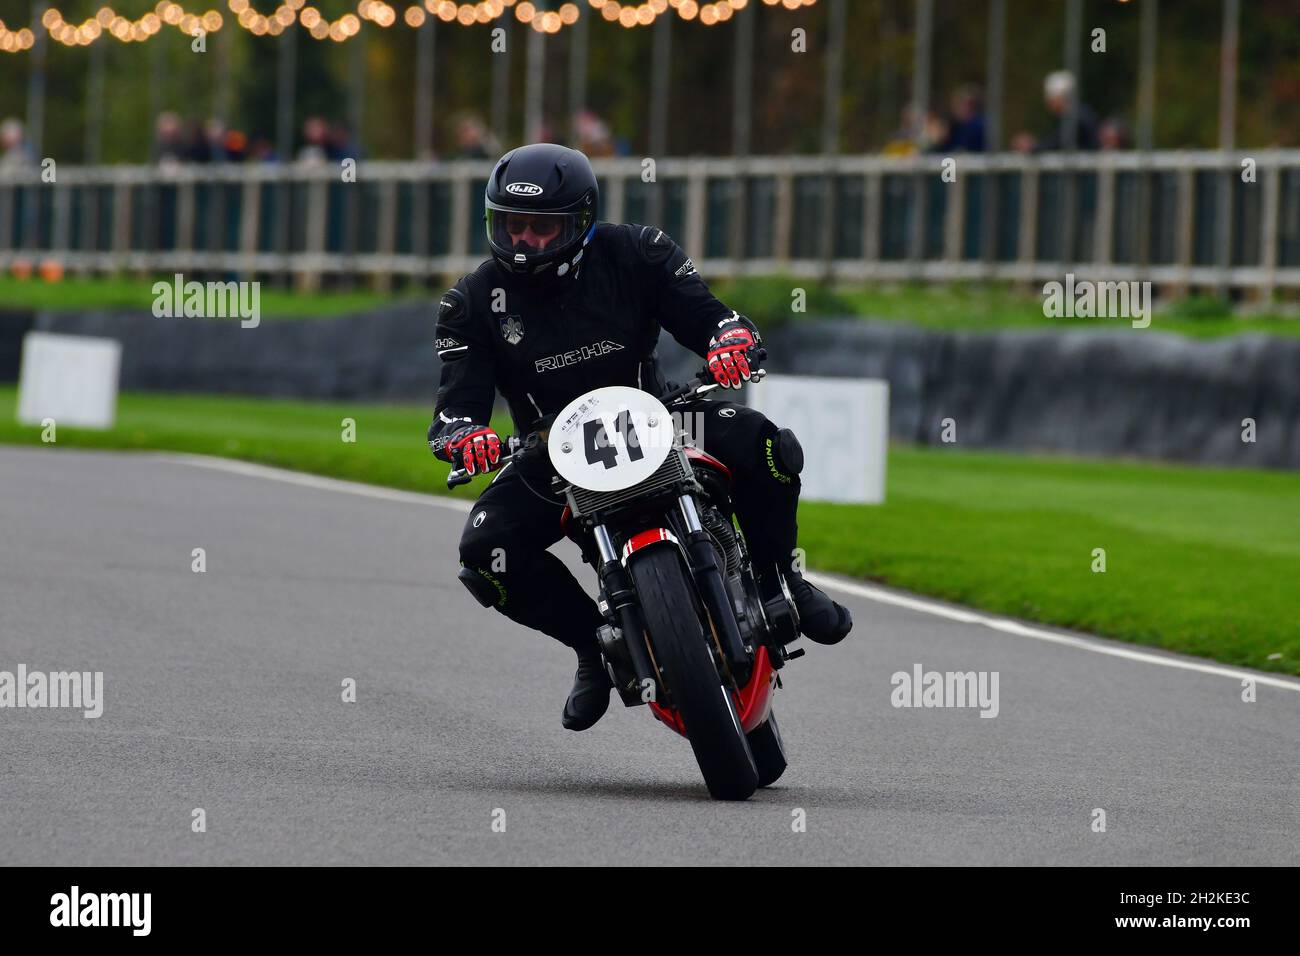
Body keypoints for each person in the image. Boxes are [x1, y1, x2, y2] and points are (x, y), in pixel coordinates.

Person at [428, 144, 854, 732]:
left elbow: (709, 316)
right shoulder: (470, 303)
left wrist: (727, 341)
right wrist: (464, 434)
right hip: (552, 453)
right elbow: (457, 404)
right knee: (484, 553)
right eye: (512, 225)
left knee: (767, 446)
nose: (525, 241)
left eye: (543, 228)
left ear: (581, 221)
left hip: (663, 419)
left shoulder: (639, 251)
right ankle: (592, 648)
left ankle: (779, 579)